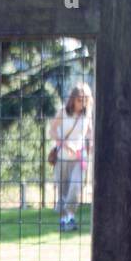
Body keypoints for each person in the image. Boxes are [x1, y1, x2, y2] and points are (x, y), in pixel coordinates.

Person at [49, 83, 94, 232]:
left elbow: (89, 133)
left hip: (79, 157)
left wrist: (91, 144)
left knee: (76, 186)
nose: (82, 103)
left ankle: (70, 215)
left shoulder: (86, 115)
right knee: (63, 189)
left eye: (85, 100)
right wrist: (64, 144)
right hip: (62, 157)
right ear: (73, 99)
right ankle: (64, 219)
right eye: (80, 100)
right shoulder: (63, 112)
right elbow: (52, 131)